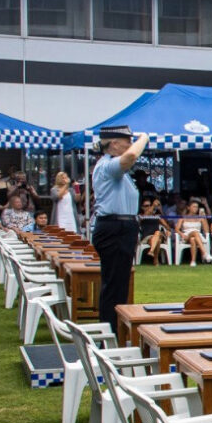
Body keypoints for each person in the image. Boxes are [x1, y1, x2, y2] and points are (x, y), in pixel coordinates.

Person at [89, 124, 150, 331]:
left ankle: (112, 332)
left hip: (120, 227)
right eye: (127, 141)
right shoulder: (108, 165)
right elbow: (131, 156)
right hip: (115, 227)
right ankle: (110, 333)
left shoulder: (111, 167)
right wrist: (144, 137)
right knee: (114, 287)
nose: (131, 144)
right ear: (114, 144)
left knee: (118, 285)